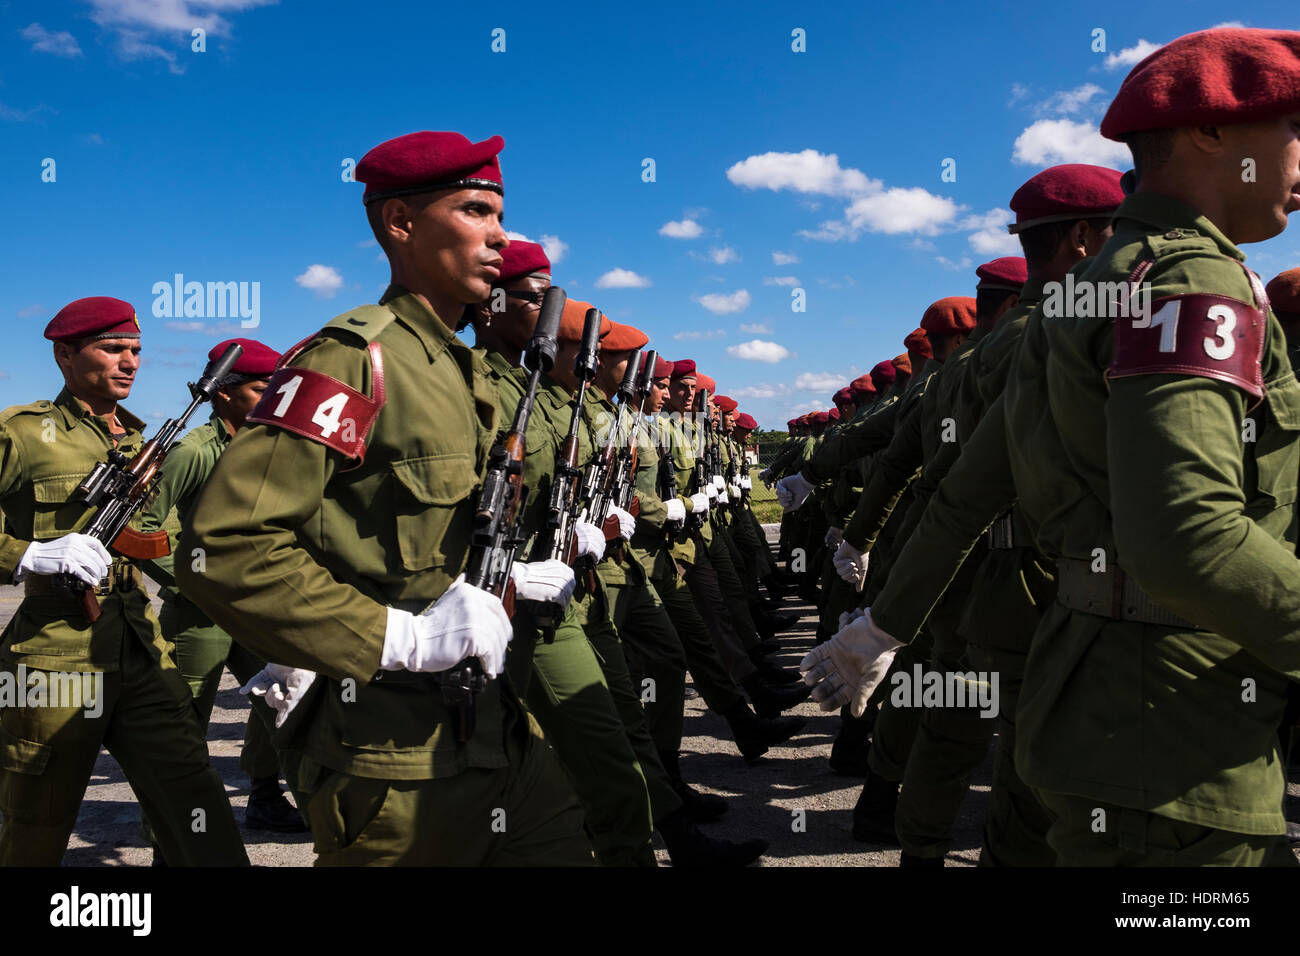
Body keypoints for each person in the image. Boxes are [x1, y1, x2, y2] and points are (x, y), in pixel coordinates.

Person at [177, 130, 593, 865]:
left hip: (493, 724)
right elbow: (224, 548)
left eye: (500, 213)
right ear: (401, 223)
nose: (500, 235)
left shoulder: (460, 367)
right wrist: (396, 638)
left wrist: (506, 580)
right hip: (392, 752)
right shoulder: (355, 357)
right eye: (475, 211)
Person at [0, 296, 248, 866]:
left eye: (136, 350)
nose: (130, 362)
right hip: (55, 654)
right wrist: (29, 554)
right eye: (112, 349)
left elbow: (156, 537)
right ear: (65, 354)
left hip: (139, 642)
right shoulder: (24, 433)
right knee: (36, 819)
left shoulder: (136, 441)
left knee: (194, 793)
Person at [137, 337, 306, 836]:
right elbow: (143, 530)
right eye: (261, 388)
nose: (273, 396)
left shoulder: (270, 446)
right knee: (186, 720)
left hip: (259, 608)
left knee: (283, 705)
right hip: (201, 614)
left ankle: (264, 797)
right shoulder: (193, 450)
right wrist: (194, 580)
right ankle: (165, 826)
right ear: (227, 393)